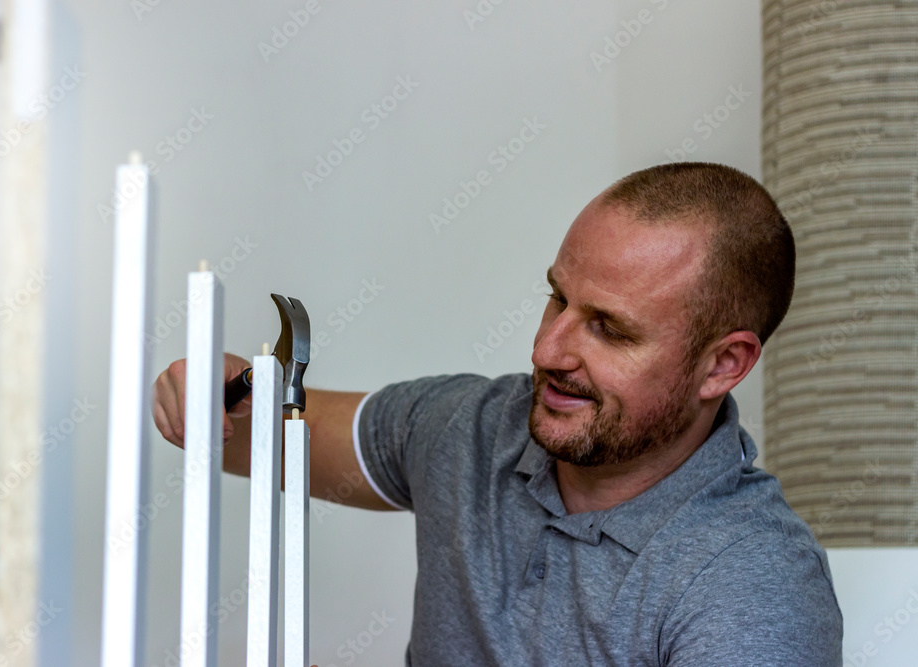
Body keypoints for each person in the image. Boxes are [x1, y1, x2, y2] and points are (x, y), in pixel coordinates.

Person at [152, 162, 843, 665]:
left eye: (609, 328)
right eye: (558, 299)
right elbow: (261, 437)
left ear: (723, 365)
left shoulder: (755, 584)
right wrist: (223, 390)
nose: (547, 349)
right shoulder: (469, 427)